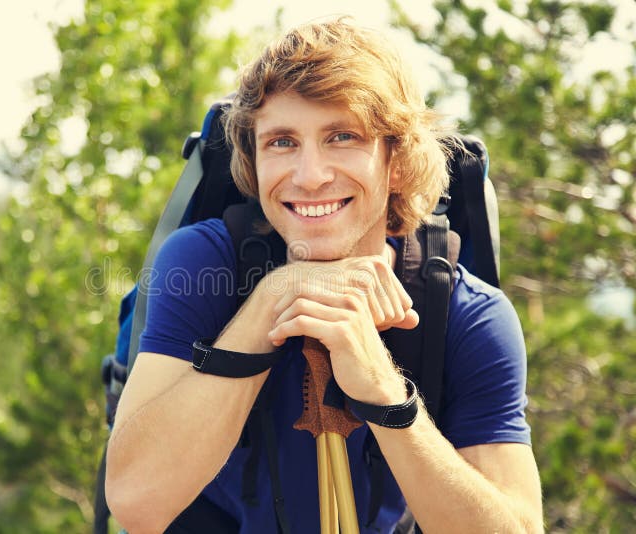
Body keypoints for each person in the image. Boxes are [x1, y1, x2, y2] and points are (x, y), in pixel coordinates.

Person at [105, 18, 543, 533]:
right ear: (254, 160)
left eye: (342, 137)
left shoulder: (466, 316)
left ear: (397, 160)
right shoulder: (206, 266)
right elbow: (135, 501)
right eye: (282, 143)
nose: (310, 176)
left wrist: (383, 390)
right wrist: (269, 304)